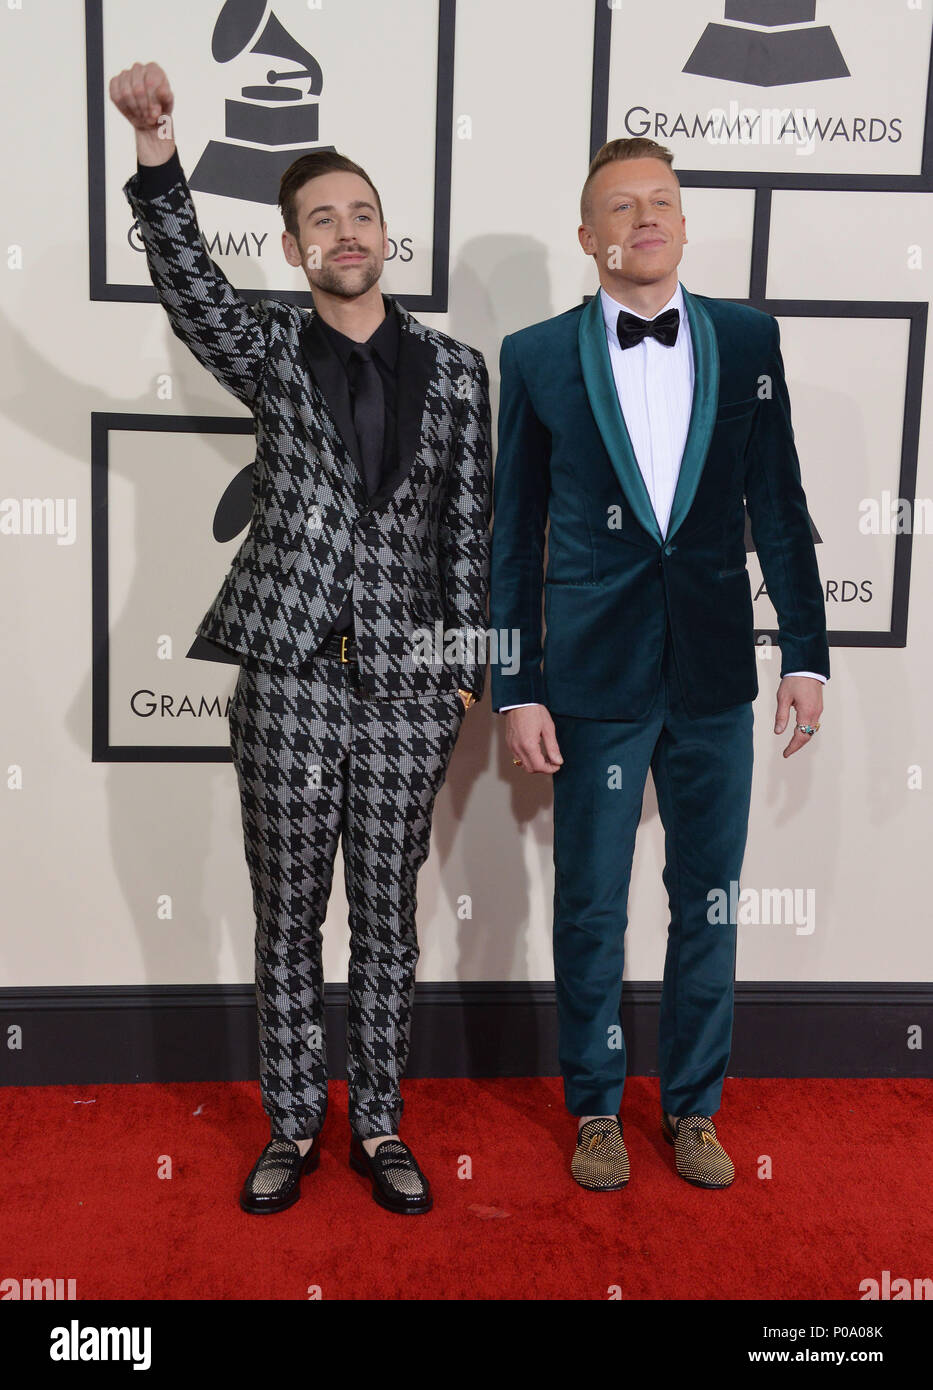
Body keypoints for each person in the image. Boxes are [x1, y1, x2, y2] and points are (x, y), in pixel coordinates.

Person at [111, 62, 491, 1215]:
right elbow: (185, 287)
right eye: (320, 219)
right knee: (287, 913)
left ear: (388, 239)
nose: (345, 231)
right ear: (293, 250)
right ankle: (290, 1124)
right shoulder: (270, 352)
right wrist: (159, 154)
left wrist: (468, 674)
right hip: (283, 677)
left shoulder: (461, 375)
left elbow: (469, 526)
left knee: (383, 912)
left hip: (404, 694)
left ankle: (376, 1120)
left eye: (361, 214)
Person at [490, 136, 828, 1192]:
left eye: (663, 202)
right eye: (622, 207)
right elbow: (514, 534)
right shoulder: (536, 355)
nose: (646, 219)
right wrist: (518, 683)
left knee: (708, 895)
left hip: (718, 672)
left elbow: (778, 503)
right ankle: (594, 1105)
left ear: (683, 224)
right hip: (591, 675)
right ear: (587, 239)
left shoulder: (747, 336)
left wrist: (807, 654)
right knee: (591, 898)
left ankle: (693, 1107)